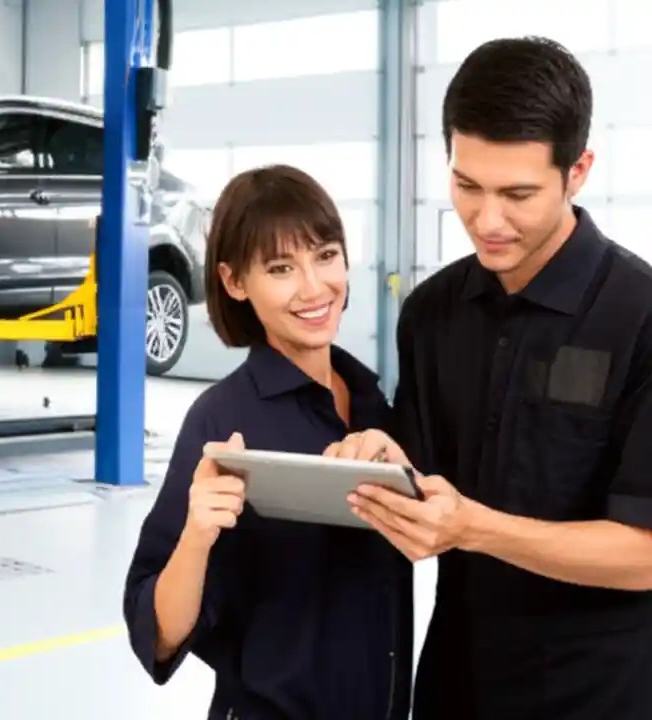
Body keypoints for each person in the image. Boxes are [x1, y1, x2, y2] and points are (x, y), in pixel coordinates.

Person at [326, 36, 652, 719]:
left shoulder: (641, 318)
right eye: (466, 185)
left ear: (579, 170)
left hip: (598, 694)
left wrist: (472, 528)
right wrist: (380, 463)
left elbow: (646, 554)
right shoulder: (432, 312)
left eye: (519, 193)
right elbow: (422, 470)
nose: (487, 219)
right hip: (456, 683)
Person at [122, 164, 413, 720]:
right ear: (235, 282)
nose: (313, 287)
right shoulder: (223, 420)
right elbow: (157, 636)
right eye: (281, 268)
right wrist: (197, 534)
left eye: (325, 255)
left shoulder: (374, 405)